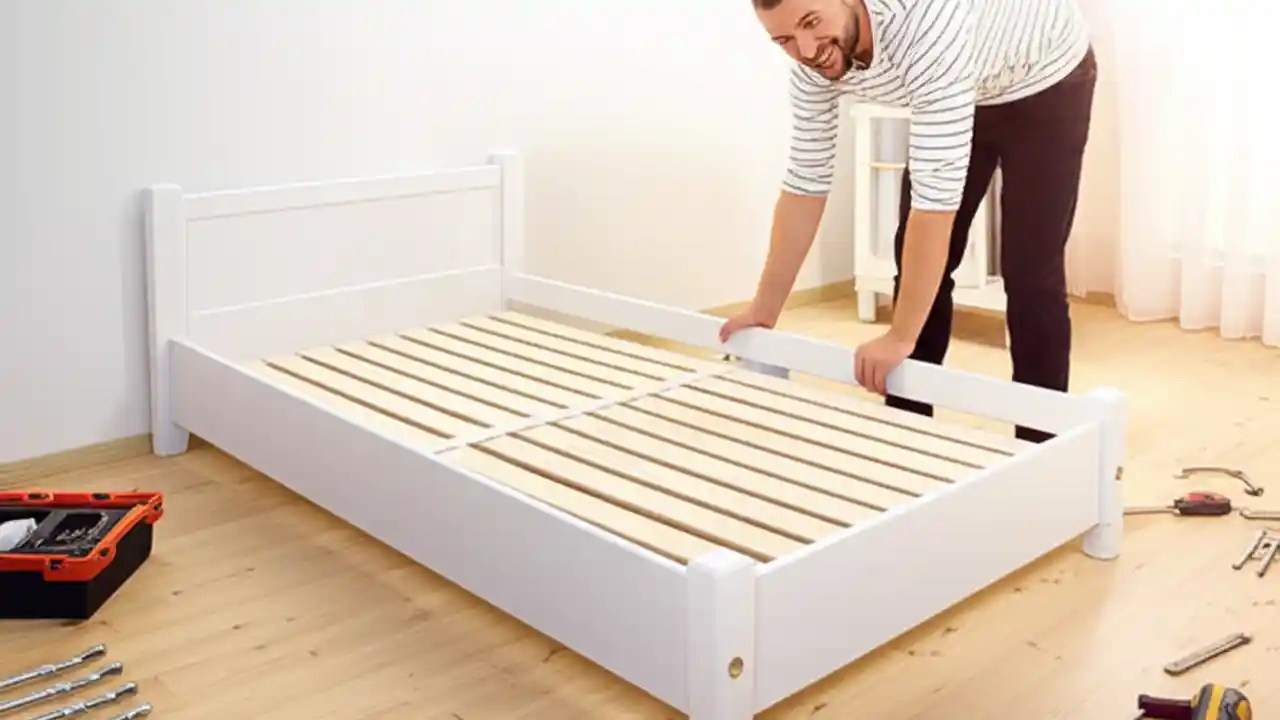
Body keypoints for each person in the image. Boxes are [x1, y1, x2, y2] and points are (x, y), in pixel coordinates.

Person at [718, 0, 1097, 442]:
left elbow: (935, 205)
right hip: (962, 79)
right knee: (910, 252)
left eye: (811, 22)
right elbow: (805, 184)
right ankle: (908, 434)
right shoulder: (809, 65)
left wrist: (899, 337)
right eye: (783, 39)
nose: (805, 49)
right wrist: (763, 311)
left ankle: (1042, 450)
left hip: (1045, 78)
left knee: (1031, 270)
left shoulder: (925, 24)